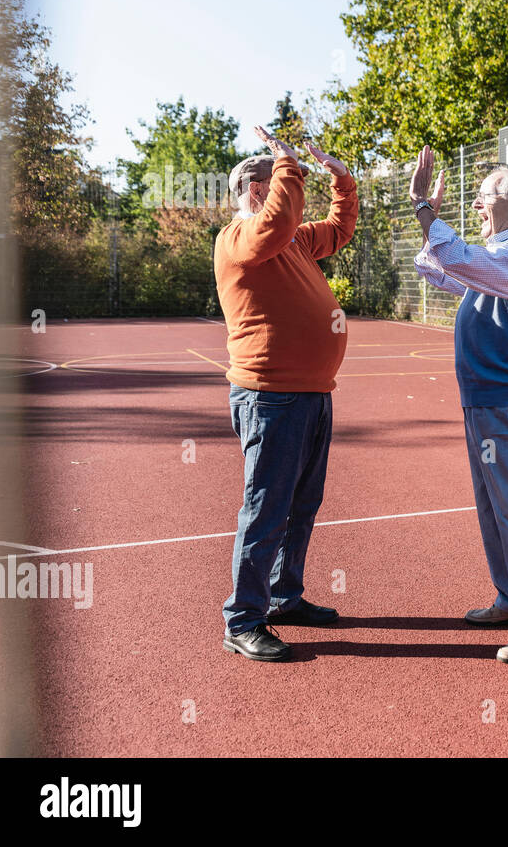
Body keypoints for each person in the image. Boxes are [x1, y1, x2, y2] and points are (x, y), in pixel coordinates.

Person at [411, 146, 508, 663]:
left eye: (485, 199)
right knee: (493, 505)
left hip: (505, 398)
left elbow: (460, 259)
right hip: (483, 398)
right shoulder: (496, 259)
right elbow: (437, 269)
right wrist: (431, 226)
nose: (477, 208)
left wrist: (425, 211)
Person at [214, 126, 358, 662]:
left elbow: (340, 228)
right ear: (256, 191)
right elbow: (275, 221)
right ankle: (243, 619)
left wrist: (341, 179)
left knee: (301, 504)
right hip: (270, 397)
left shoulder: (293, 239)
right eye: (275, 183)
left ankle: (282, 596)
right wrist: (288, 164)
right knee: (266, 507)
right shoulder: (241, 238)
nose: (290, 197)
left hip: (312, 392)